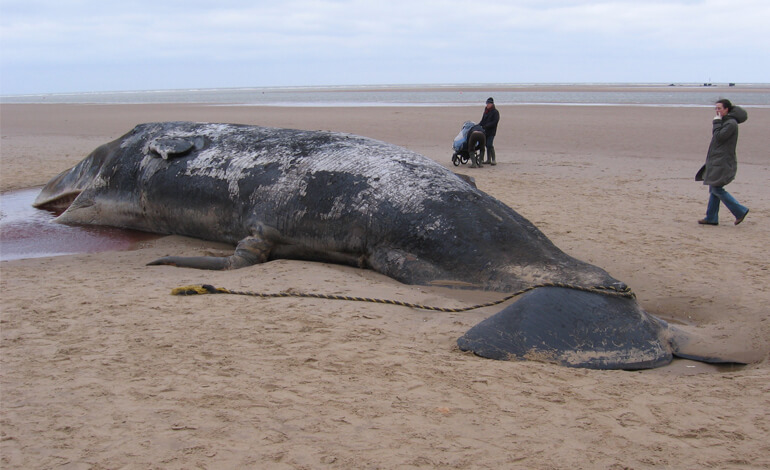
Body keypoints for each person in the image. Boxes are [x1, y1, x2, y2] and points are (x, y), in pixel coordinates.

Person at [695, 99, 749, 226]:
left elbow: (719, 137)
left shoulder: (730, 123)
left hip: (723, 161)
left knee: (716, 188)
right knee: (713, 188)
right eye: (716, 108)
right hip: (717, 160)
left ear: (727, 109)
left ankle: (740, 211)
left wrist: (716, 122)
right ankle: (711, 217)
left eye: (719, 108)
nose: (717, 111)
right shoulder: (726, 122)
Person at [479, 97, 500, 165]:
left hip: (491, 131)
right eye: (486, 103)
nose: (487, 105)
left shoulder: (495, 112)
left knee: (489, 144)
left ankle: (493, 159)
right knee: (485, 144)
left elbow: (494, 122)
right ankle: (488, 159)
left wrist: (487, 125)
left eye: (488, 104)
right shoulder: (486, 111)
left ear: (492, 104)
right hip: (485, 131)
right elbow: (483, 120)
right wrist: (478, 125)